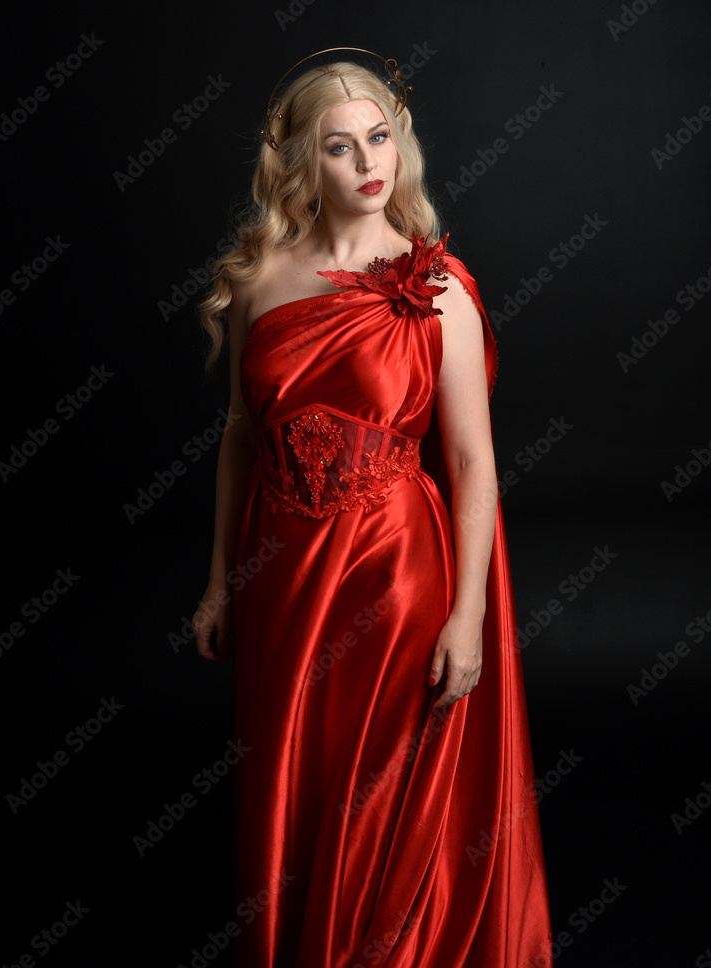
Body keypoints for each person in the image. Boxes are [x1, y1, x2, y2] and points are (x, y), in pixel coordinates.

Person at [193, 51, 553, 968]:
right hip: (280, 576)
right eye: (339, 146)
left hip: (395, 577)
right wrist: (220, 584)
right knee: (296, 773)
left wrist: (467, 617)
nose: (367, 162)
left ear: (401, 144)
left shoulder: (439, 286)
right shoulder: (260, 278)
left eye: (379, 137)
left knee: (384, 782)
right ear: (301, 162)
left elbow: (471, 463)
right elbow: (239, 437)